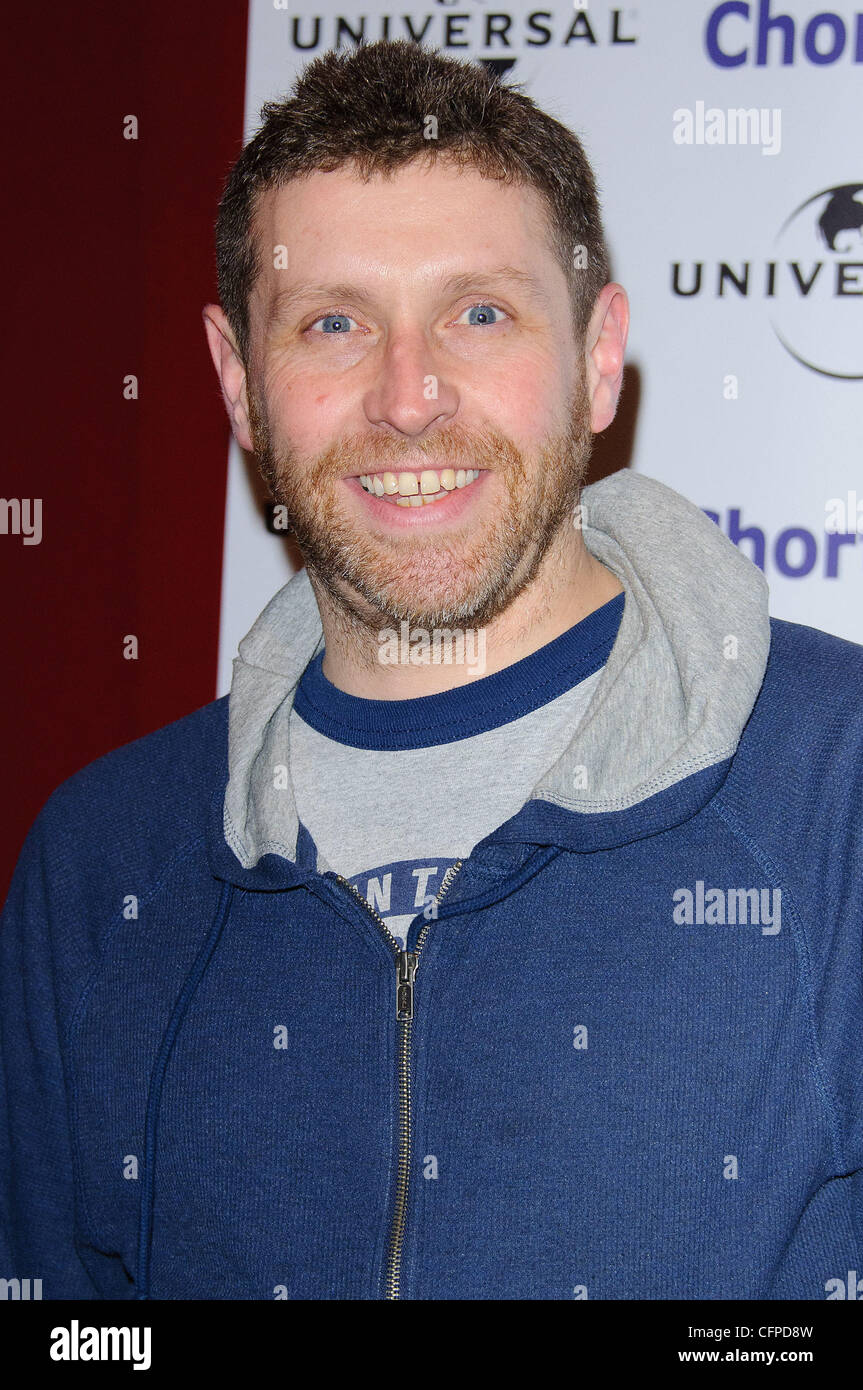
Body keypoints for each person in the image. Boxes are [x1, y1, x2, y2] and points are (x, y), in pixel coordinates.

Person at [1, 38, 861, 1302]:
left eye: (478, 312)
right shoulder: (99, 863)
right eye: (334, 322)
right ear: (240, 382)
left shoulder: (837, 786)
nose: (408, 397)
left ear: (596, 357)